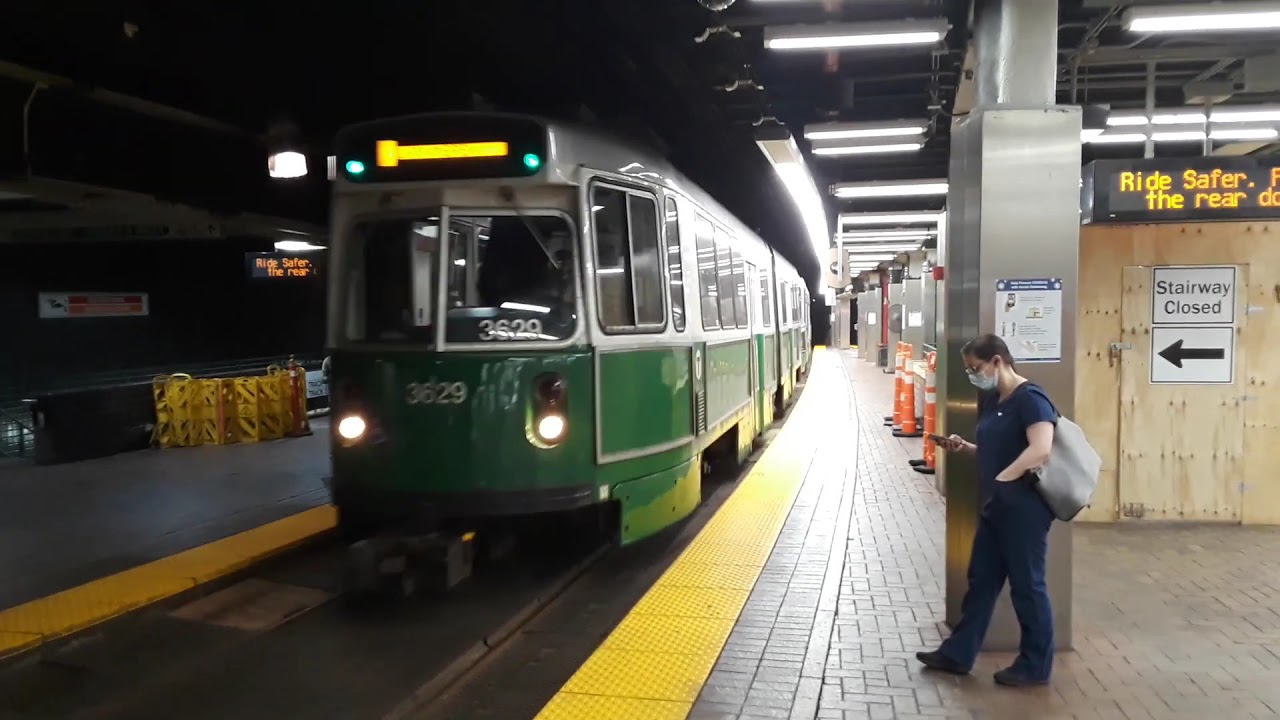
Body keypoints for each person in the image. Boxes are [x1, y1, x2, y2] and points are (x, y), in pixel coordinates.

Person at [916, 334, 1058, 687]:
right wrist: (965, 447)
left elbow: (1041, 449)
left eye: (975, 368)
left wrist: (1006, 478)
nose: (973, 375)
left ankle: (1035, 665)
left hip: (1024, 510)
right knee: (981, 582)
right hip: (996, 507)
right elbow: (1000, 449)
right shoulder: (994, 399)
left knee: (1028, 587)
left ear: (998, 361)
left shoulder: (1031, 399)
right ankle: (958, 653)